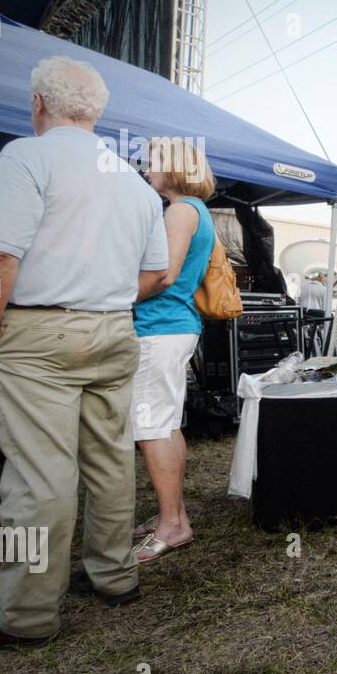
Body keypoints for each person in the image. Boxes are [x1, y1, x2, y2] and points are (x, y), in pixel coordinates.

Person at [0, 56, 167, 652]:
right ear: (93, 113)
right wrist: (108, 299)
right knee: (109, 460)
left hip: (37, 335)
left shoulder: (26, 155)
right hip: (115, 330)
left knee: (39, 475)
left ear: (38, 103)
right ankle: (114, 576)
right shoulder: (131, 178)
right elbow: (157, 272)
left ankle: (26, 616)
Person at [129, 136, 216, 563]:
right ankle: (173, 513)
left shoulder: (181, 211)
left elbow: (164, 275)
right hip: (173, 327)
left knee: (151, 426)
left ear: (176, 167)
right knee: (165, 423)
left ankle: (172, 526)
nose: (147, 170)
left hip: (159, 327)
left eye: (153, 162)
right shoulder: (194, 210)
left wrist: (117, 296)